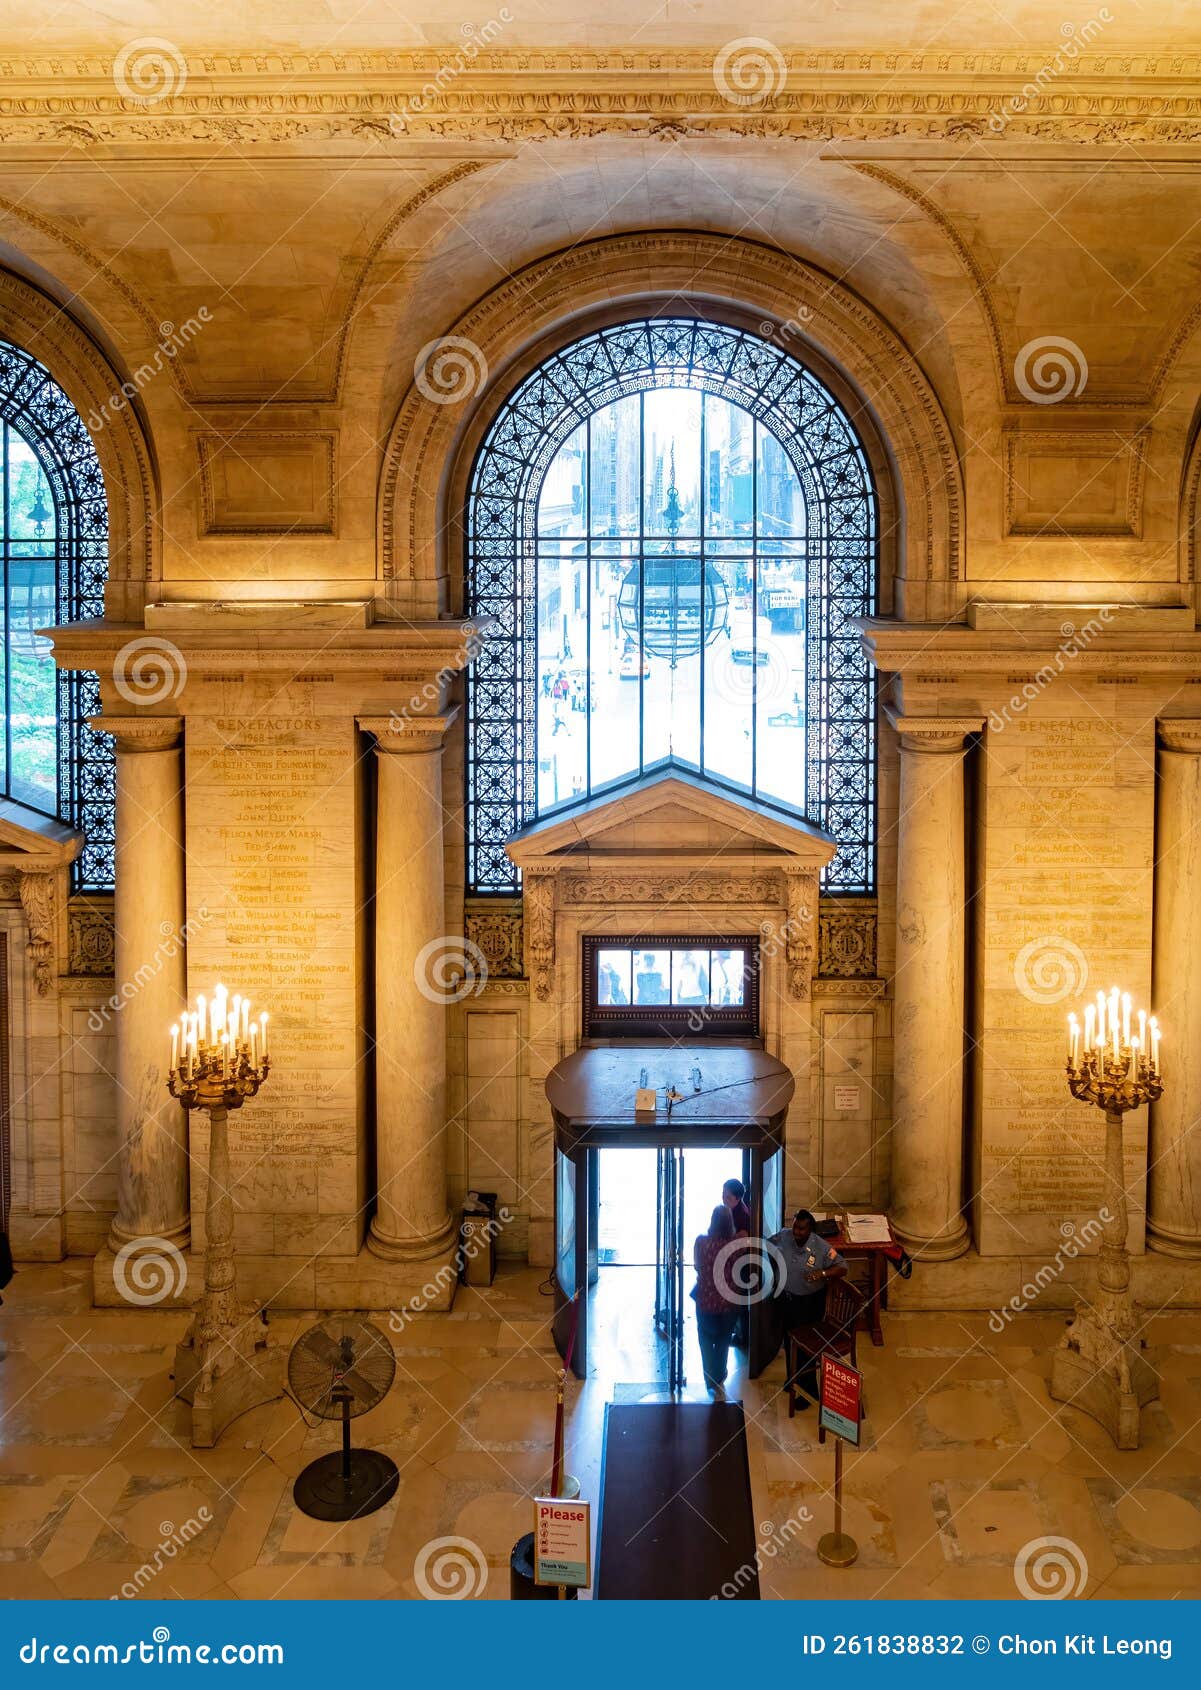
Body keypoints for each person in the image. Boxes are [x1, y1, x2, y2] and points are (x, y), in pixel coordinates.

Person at [769, 1209, 846, 1407]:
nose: (796, 1231)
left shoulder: (821, 1246)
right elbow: (767, 1244)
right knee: (789, 1341)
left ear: (810, 1229)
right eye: (795, 1226)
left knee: (805, 1348)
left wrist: (822, 1273)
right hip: (787, 1300)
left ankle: (807, 1393)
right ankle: (791, 1380)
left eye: (801, 1229)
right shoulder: (784, 1235)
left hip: (809, 1303)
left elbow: (842, 1266)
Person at [693, 1205, 737, 1399]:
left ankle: (708, 1376)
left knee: (705, 1339)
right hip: (726, 1302)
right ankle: (719, 1375)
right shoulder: (733, 1245)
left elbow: (696, 1266)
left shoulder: (701, 1242)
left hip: (704, 1299)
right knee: (722, 1340)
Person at [723, 1179, 751, 1350]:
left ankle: (742, 1337)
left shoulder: (741, 1216)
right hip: (736, 1263)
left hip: (740, 1264)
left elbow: (741, 1242)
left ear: (737, 1198)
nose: (723, 1199)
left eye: (727, 1196)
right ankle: (739, 1333)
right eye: (723, 1194)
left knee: (739, 1302)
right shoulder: (734, 1210)